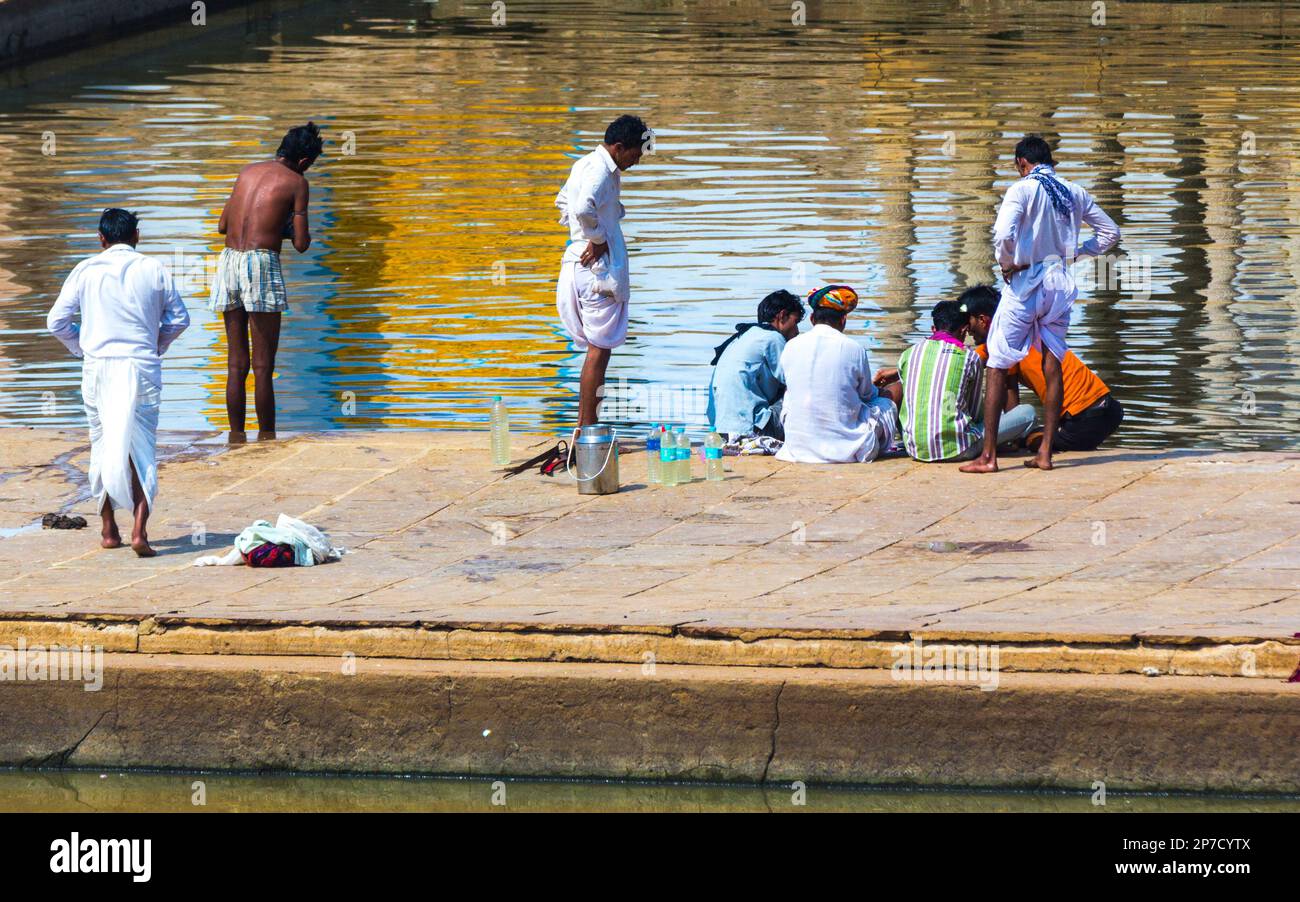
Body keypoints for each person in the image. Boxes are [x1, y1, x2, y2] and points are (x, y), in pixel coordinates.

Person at [960, 134, 1119, 474]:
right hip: (1060, 282)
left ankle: (988, 456)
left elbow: (1003, 234)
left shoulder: (1022, 189)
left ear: (1022, 164)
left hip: (1027, 281)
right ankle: (1045, 452)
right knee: (1053, 360)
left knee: (998, 363)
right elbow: (1110, 234)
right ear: (1052, 162)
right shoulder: (1074, 192)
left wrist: (1006, 264)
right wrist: (1074, 253)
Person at [47, 208, 190, 557]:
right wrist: (155, 344)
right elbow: (179, 319)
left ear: (101, 239)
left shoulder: (85, 270)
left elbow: (56, 321)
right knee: (140, 449)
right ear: (137, 236)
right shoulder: (154, 268)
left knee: (104, 444)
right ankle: (139, 532)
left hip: (97, 369)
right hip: (141, 369)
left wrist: (81, 347)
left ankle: (109, 530)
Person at [211, 121, 322, 441]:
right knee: (262, 366)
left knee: (236, 365)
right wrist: (286, 226)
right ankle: (266, 439)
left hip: (229, 260)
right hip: (261, 264)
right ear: (304, 162)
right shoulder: (297, 183)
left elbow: (222, 226)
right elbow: (301, 244)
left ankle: (235, 438)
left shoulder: (246, 171)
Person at [555, 114, 650, 427]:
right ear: (619, 147)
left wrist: (591, 231)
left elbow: (563, 202)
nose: (636, 161)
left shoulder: (584, 164)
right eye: (635, 155)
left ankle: (587, 428)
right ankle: (587, 431)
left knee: (599, 349)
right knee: (600, 351)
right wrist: (595, 239)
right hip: (597, 271)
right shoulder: (598, 170)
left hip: (584, 266)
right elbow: (581, 208)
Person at [962, 284, 1124, 452]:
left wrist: (1015, 438)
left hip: (1083, 417)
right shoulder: (1024, 326)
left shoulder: (1001, 340)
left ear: (983, 320)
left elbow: (1008, 392)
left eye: (968, 322)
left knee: (1031, 440)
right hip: (1110, 409)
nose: (967, 330)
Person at [879, 299, 1034, 463]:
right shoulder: (969, 357)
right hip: (959, 449)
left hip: (915, 450)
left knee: (900, 388)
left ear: (934, 328)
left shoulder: (908, 354)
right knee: (1028, 413)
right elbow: (975, 414)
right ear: (964, 330)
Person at [776, 285, 901, 464]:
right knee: (894, 391)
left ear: (812, 319)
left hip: (797, 448)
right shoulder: (854, 348)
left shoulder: (791, 346)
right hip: (845, 449)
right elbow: (867, 395)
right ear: (843, 320)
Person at [707, 289, 804, 440]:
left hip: (721, 429)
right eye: (795, 322)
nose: (797, 331)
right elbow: (796, 382)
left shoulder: (744, 336)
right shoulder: (773, 338)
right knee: (800, 387)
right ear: (782, 316)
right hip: (751, 429)